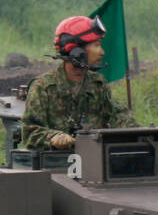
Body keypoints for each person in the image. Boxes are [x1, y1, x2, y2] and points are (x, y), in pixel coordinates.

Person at [20, 15, 136, 150]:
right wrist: (53, 137)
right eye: (97, 45)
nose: (102, 52)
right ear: (77, 52)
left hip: (94, 158)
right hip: (55, 160)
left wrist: (139, 131)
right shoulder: (43, 87)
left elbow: (118, 116)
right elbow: (30, 133)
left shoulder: (97, 84)